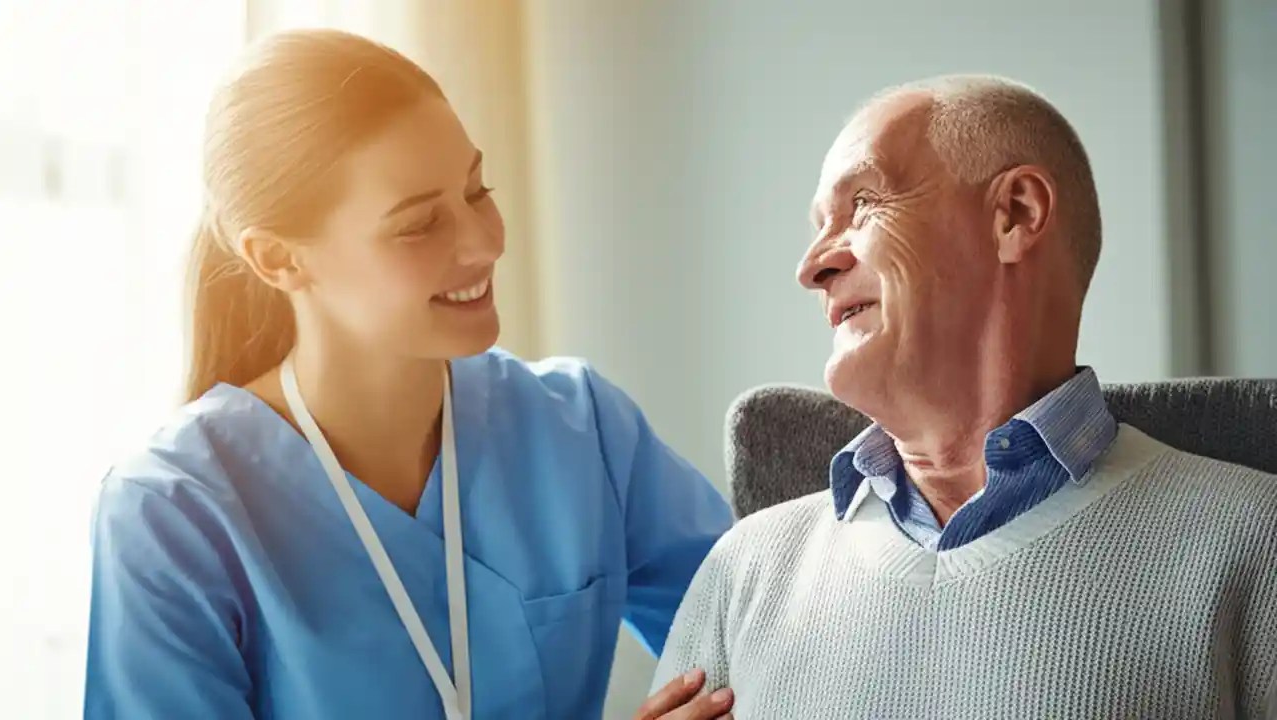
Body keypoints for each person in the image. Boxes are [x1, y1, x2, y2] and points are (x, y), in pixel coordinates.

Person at [84, 29, 737, 720]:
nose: (485, 242)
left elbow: (764, 638)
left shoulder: (582, 429)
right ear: (278, 259)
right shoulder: (170, 513)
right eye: (419, 224)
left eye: (477, 190)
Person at [652, 75, 1277, 718]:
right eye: (819, 226)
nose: (812, 267)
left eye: (862, 203)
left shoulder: (1257, 541)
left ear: (1017, 215)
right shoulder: (745, 566)